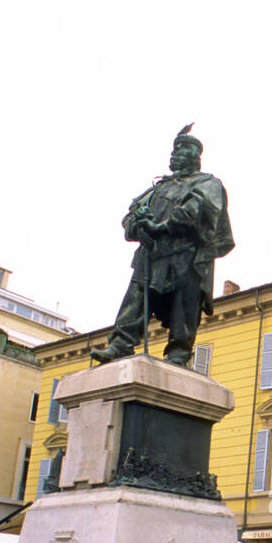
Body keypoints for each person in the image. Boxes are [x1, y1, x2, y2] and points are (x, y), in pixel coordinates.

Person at [90, 125, 234, 367]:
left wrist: (161, 226)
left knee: (183, 305)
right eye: (173, 152)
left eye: (181, 151)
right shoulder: (158, 188)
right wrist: (139, 224)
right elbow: (130, 217)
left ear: (194, 156)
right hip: (152, 254)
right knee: (135, 300)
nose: (174, 155)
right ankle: (120, 344)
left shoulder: (208, 183)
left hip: (186, 255)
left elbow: (196, 211)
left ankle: (179, 352)